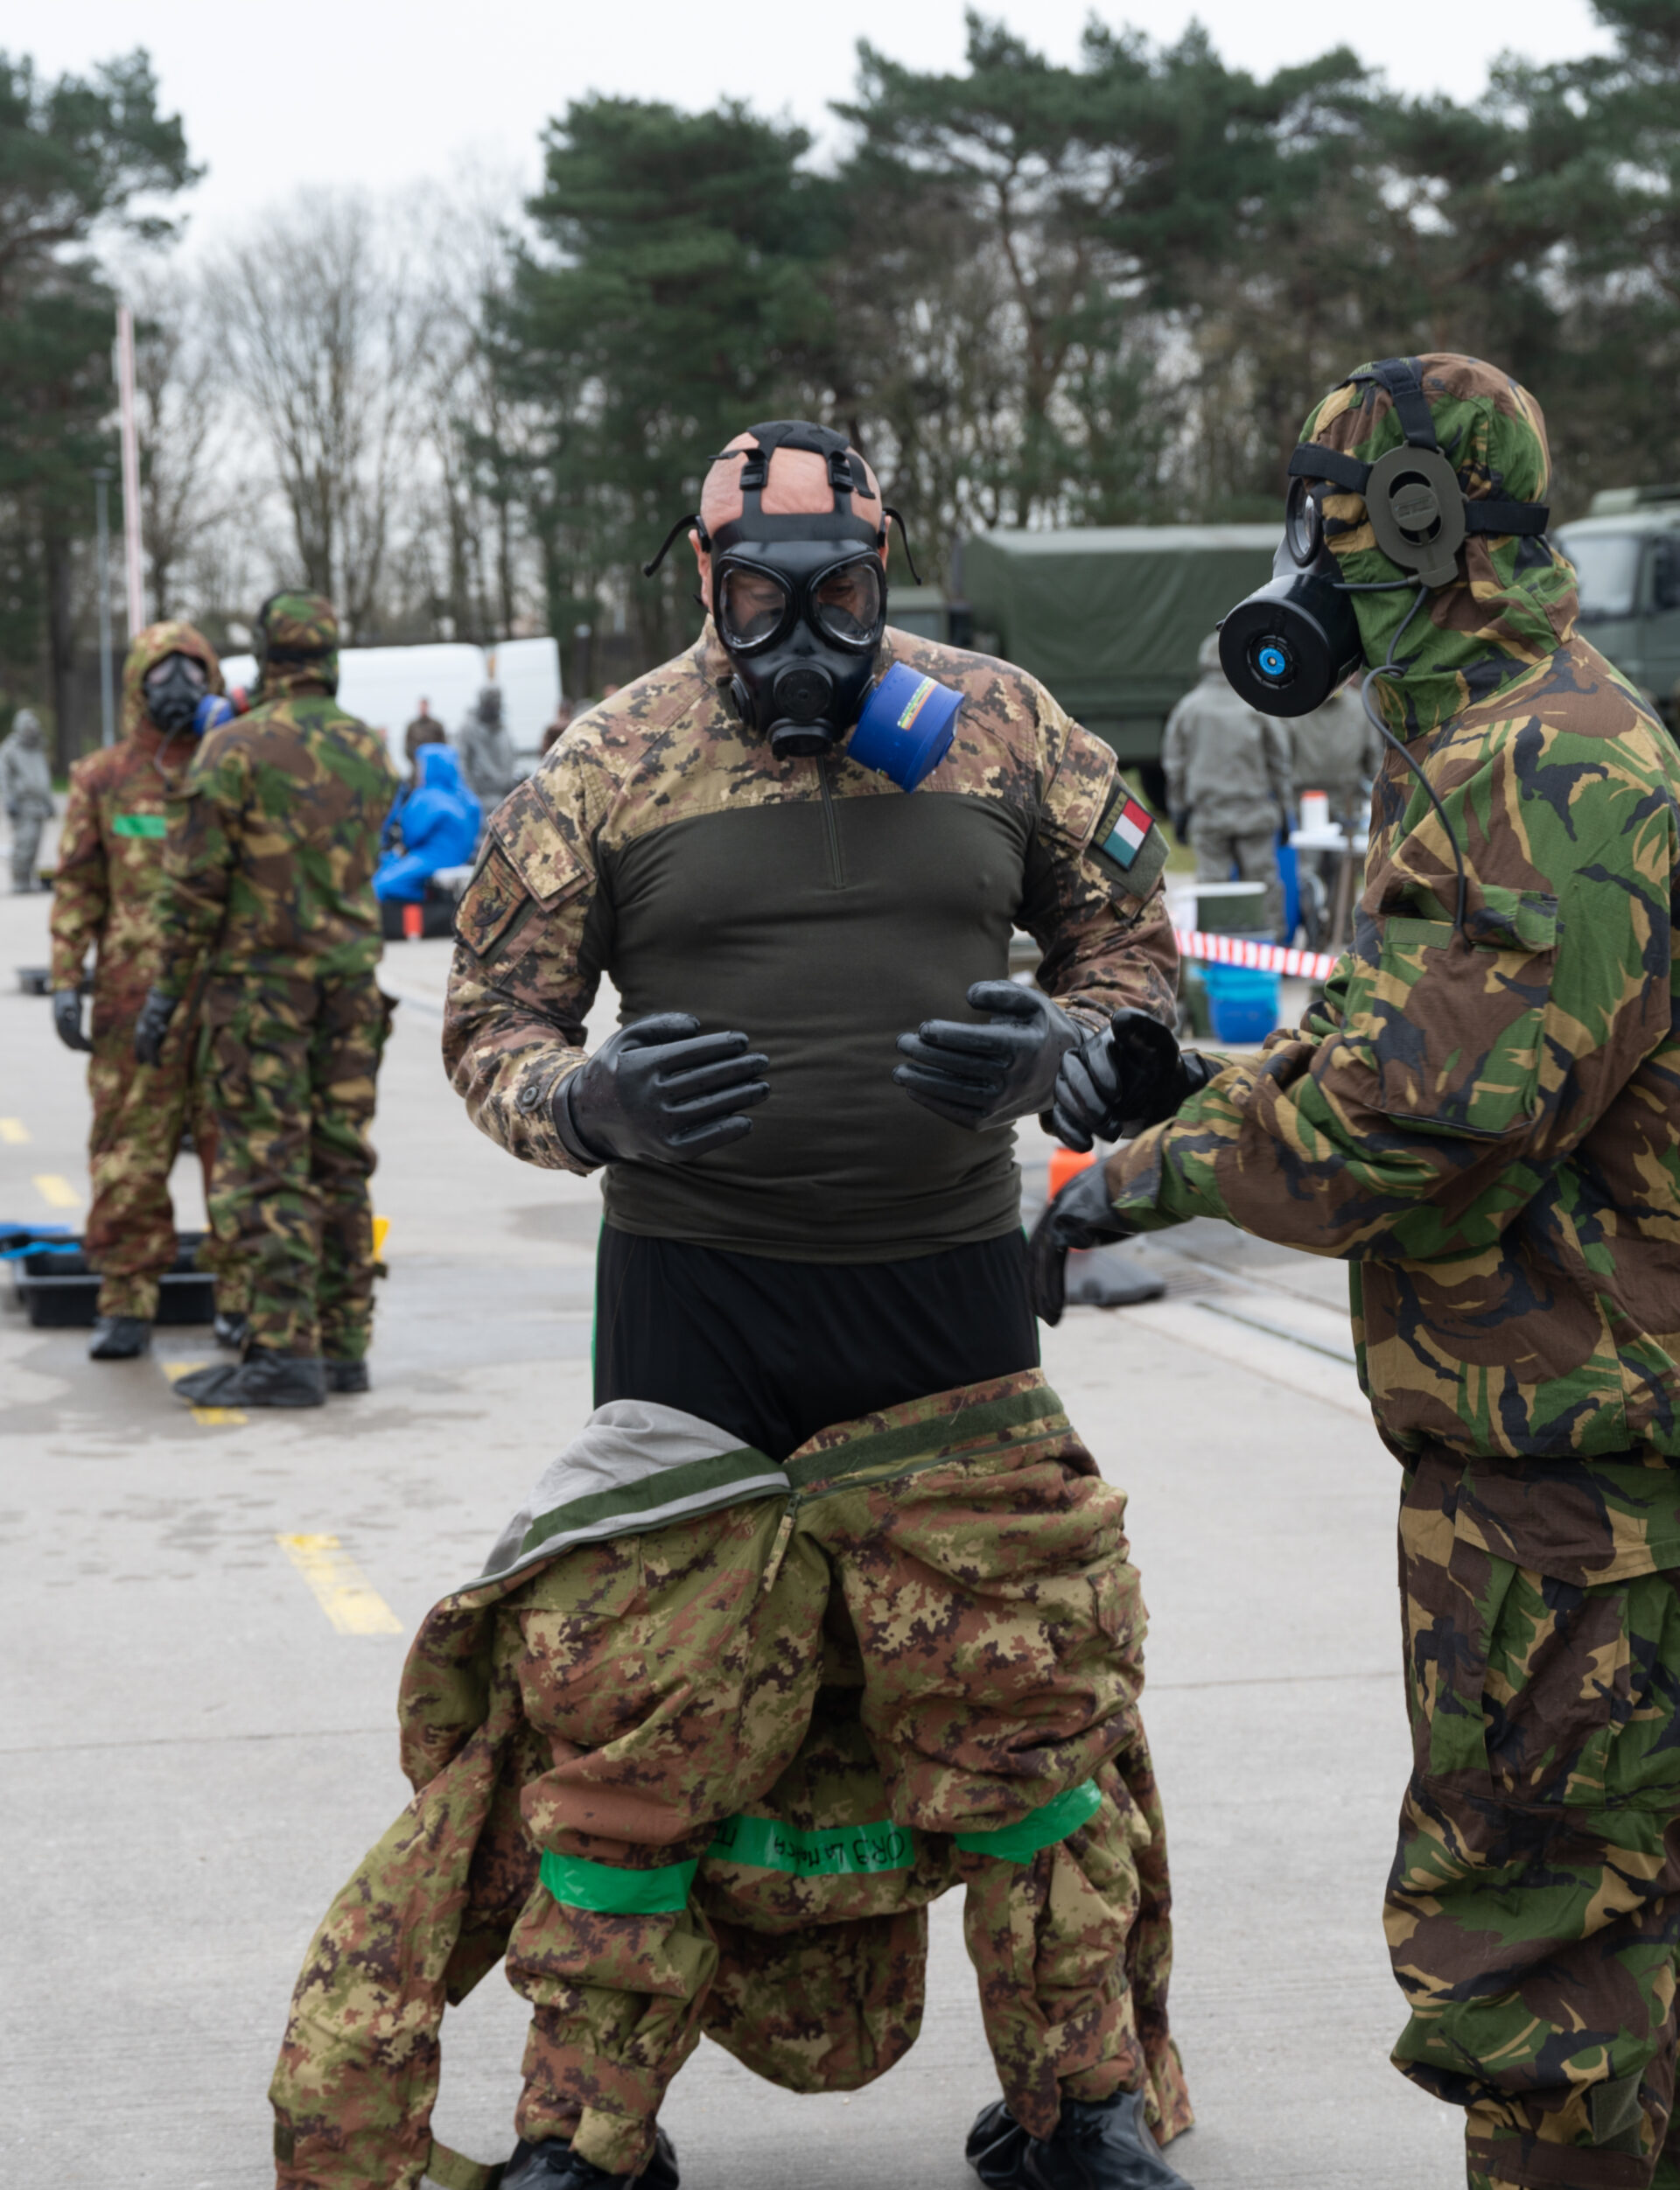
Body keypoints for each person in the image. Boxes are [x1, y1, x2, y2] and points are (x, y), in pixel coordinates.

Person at [269, 420, 1195, 2190]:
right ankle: (589, 2128)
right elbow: (491, 1028)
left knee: (1027, 1717)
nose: (802, 637)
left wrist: (1077, 1054)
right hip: (700, 1324)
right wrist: (583, 1103)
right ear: (702, 578)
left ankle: (1079, 2105)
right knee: (633, 1727)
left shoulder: (998, 723)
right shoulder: (608, 761)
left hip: (943, 1307)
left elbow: (1134, 951)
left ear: (887, 566)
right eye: (762, 598)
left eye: (840, 595)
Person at [1035, 353, 1680, 2190]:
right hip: (1565, 1468)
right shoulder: (1491, 739)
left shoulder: (1539, 765)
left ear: (1411, 530)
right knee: (1618, 1955)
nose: (1299, 584)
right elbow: (1412, 1054)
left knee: (1543, 1962)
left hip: (1580, 1495)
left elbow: (1418, 1132)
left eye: (1324, 532)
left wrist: (1126, 1182)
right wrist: (1204, 1079)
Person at [137, 591, 399, 1409]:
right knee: (340, 1158)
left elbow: (194, 890)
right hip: (351, 989)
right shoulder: (371, 748)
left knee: (266, 1163)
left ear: (266, 658)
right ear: (329, 656)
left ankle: (283, 1354)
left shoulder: (233, 748)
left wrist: (166, 996)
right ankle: (344, 1343)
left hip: (261, 994)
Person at [46, 624, 245, 1360]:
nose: (177, 686)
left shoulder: (232, 765)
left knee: (236, 1154)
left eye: (192, 670)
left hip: (222, 1002)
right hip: (130, 1009)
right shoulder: (102, 778)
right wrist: (67, 978)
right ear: (136, 681)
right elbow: (77, 887)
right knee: (128, 1154)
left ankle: (239, 1299)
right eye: (162, 672)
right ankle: (125, 1299)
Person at [1160, 631, 1292, 934]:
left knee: (1213, 887)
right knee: (1262, 884)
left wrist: (1179, 811)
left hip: (1209, 814)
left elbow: (1175, 767)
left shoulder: (1187, 709)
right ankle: (1272, 951)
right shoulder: (1258, 705)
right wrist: (1285, 809)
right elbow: (1279, 763)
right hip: (1254, 812)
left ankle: (1218, 957)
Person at [374, 741, 481, 903]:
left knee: (382, 883)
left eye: (421, 766)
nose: (419, 772)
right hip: (460, 859)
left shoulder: (426, 797)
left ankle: (429, 905)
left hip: (431, 858)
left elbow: (410, 837)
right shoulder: (465, 796)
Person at [1285, 674, 1379, 834]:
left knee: (1312, 856)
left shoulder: (1294, 705)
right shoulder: (1360, 705)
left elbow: (1281, 757)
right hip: (1322, 802)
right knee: (1345, 856)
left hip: (1332, 803)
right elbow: (1374, 759)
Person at [2, 706, 54, 892]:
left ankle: (28, 879)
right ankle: (19, 880)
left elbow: (43, 777)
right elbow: (4, 778)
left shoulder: (37, 748)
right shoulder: (11, 750)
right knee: (24, 842)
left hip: (39, 804)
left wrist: (50, 803)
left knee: (35, 844)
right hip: (22, 804)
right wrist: (9, 801)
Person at [455, 681, 517, 807]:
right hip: (479, 799)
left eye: (497, 703)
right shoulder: (468, 729)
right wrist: (471, 796)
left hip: (504, 798)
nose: (495, 707)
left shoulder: (502, 729)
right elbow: (462, 763)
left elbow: (510, 758)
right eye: (491, 703)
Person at [403, 697, 445, 772]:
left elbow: (444, 746)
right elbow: (407, 747)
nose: (423, 709)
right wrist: (415, 762)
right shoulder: (412, 726)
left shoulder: (437, 725)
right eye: (421, 707)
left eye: (425, 706)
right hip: (418, 766)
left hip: (435, 766)